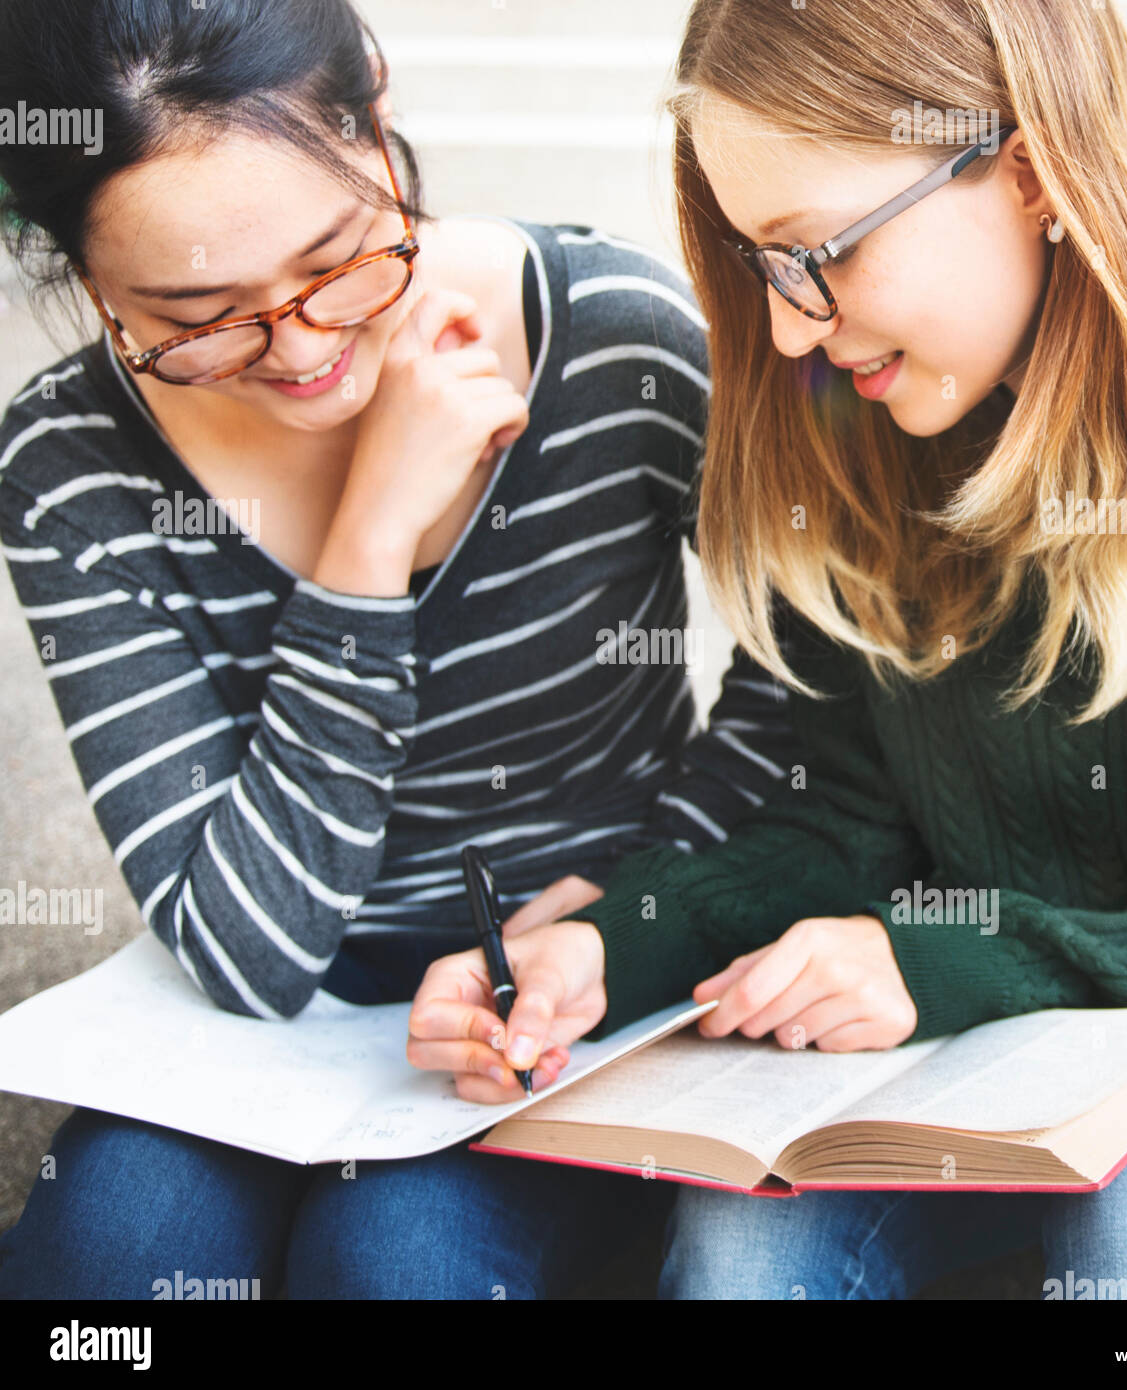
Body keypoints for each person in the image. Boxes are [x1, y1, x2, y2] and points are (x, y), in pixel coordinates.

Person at [410, 0, 1127, 1298]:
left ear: (1032, 172)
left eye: (815, 251)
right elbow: (849, 823)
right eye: (765, 265)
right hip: (991, 1072)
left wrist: (964, 957)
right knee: (740, 1238)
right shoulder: (875, 426)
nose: (787, 330)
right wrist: (616, 937)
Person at [0, 0, 802, 1298]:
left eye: (338, 260)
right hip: (260, 1019)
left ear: (373, 105)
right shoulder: (70, 463)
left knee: (396, 1262)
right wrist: (366, 549)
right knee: (112, 1255)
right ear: (86, 276)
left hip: (566, 1005)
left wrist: (635, 909)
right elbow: (247, 954)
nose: (307, 352)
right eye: (195, 318)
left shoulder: (616, 340)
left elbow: (809, 697)